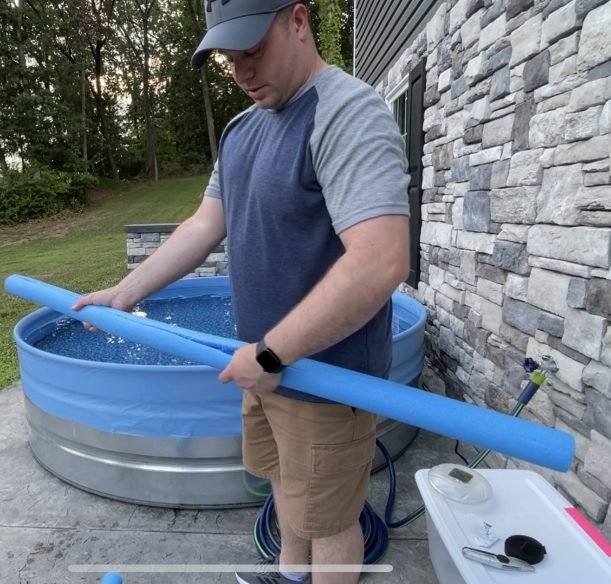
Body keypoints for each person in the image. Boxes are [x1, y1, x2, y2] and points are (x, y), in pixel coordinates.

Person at [73, 1, 410, 582]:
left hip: (326, 379)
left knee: (329, 518)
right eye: (230, 58)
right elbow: (204, 226)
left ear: (298, 22)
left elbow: (381, 261)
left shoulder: (347, 113)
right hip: (263, 365)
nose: (242, 71)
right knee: (281, 483)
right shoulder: (241, 130)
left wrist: (274, 353)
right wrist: (125, 293)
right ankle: (287, 575)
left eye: (253, 50)